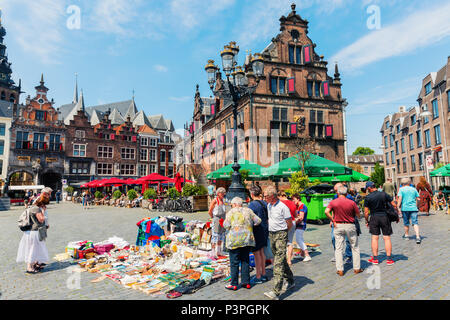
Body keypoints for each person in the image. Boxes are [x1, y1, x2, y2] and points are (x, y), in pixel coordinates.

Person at [263, 186, 295, 300]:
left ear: (272, 196)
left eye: (266, 196)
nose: (264, 198)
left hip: (281, 234)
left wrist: (284, 234)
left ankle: (276, 291)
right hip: (272, 234)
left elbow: (289, 223)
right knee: (280, 259)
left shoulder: (283, 207)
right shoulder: (269, 205)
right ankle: (291, 280)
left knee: (278, 263)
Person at [223, 197, 261, 290]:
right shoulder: (248, 210)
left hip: (234, 241)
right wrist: (250, 226)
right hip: (247, 240)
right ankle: (246, 282)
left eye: (232, 205)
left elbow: (226, 225)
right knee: (245, 261)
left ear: (235, 204)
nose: (232, 206)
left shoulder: (231, 212)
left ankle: (234, 284)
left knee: (234, 262)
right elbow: (258, 221)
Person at [325, 185, 363, 276]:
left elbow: (326, 211)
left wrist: (332, 220)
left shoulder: (333, 202)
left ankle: (340, 269)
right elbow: (358, 215)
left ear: (338, 193)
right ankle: (357, 268)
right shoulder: (351, 202)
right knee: (355, 246)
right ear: (346, 193)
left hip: (338, 225)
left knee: (338, 248)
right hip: (350, 225)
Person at [364, 181, 397, 265]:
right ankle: (389, 259)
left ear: (369, 188)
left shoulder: (368, 197)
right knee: (387, 238)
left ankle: (375, 259)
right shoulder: (384, 194)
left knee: (375, 238)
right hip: (384, 217)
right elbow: (394, 204)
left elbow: (366, 212)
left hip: (374, 218)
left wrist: (366, 221)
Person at [16, 192, 51, 273]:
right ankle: (29, 267)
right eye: (44, 204)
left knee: (36, 248)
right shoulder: (36, 209)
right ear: (41, 203)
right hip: (34, 232)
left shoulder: (32, 207)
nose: (45, 206)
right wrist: (43, 211)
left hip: (32, 232)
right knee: (32, 249)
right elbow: (41, 219)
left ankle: (35, 264)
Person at [248, 186, 269, 284]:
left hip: (257, 230)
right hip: (265, 229)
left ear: (252, 194)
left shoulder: (252, 205)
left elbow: (250, 219)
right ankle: (263, 273)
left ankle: (258, 275)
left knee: (256, 253)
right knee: (262, 252)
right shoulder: (264, 203)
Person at [330, 183, 353, 264]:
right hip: (336, 221)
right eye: (335, 191)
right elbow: (333, 208)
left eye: (336, 191)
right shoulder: (335, 196)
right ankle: (338, 254)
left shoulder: (349, 197)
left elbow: (353, 209)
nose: (336, 192)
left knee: (347, 240)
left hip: (347, 221)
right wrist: (331, 220)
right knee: (333, 238)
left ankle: (348, 255)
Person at [397, 178, 421, 244]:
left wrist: (398, 207)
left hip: (405, 208)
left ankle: (407, 235)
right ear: (409, 183)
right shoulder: (414, 189)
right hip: (413, 208)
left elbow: (400, 199)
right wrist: (417, 206)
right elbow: (418, 199)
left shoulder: (401, 190)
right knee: (415, 222)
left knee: (406, 222)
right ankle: (418, 237)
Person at [277, 191, 297, 266]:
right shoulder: (292, 202)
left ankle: (283, 260)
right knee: (290, 242)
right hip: (293, 222)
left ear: (280, 196)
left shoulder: (280, 203)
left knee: (282, 242)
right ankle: (289, 260)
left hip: (284, 223)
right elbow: (295, 214)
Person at [291, 193, 312, 262]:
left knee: (299, 239)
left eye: (294, 199)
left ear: (298, 199)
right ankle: (302, 254)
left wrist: (294, 221)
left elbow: (301, 218)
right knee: (300, 239)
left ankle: (307, 255)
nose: (293, 201)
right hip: (299, 225)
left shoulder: (302, 206)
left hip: (301, 225)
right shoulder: (298, 206)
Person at [208, 187, 227, 259]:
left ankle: (219, 251)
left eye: (224, 193)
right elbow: (210, 211)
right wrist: (213, 218)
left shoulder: (223, 200)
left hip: (222, 219)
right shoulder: (215, 200)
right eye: (222, 193)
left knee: (221, 235)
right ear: (218, 193)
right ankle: (213, 251)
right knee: (215, 236)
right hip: (216, 219)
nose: (223, 194)